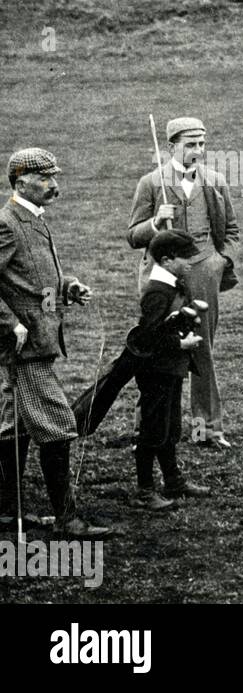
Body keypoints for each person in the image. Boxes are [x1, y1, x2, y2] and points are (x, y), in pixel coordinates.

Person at [0, 148, 115, 538]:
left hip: (37, 338)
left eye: (54, 177)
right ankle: (68, 520)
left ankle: (6, 511)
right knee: (57, 424)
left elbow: (31, 277)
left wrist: (68, 288)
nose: (54, 185)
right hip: (25, 347)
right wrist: (8, 324)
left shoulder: (33, 220)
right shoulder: (6, 223)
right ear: (20, 183)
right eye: (45, 178)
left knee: (12, 427)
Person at [126, 117, 240, 449]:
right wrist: (154, 222)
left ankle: (207, 429)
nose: (198, 151)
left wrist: (222, 262)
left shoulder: (216, 181)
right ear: (172, 146)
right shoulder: (151, 183)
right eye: (191, 145)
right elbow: (133, 235)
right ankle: (147, 429)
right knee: (157, 348)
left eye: (202, 144)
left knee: (201, 348)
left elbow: (231, 230)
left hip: (205, 269)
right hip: (163, 276)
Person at [129, 231, 212, 510]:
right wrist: (180, 343)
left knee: (169, 427)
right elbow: (147, 338)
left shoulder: (174, 284)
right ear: (166, 260)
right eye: (185, 258)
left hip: (171, 369)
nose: (190, 262)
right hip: (156, 371)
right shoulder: (156, 292)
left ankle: (173, 480)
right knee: (153, 430)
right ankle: (144, 490)